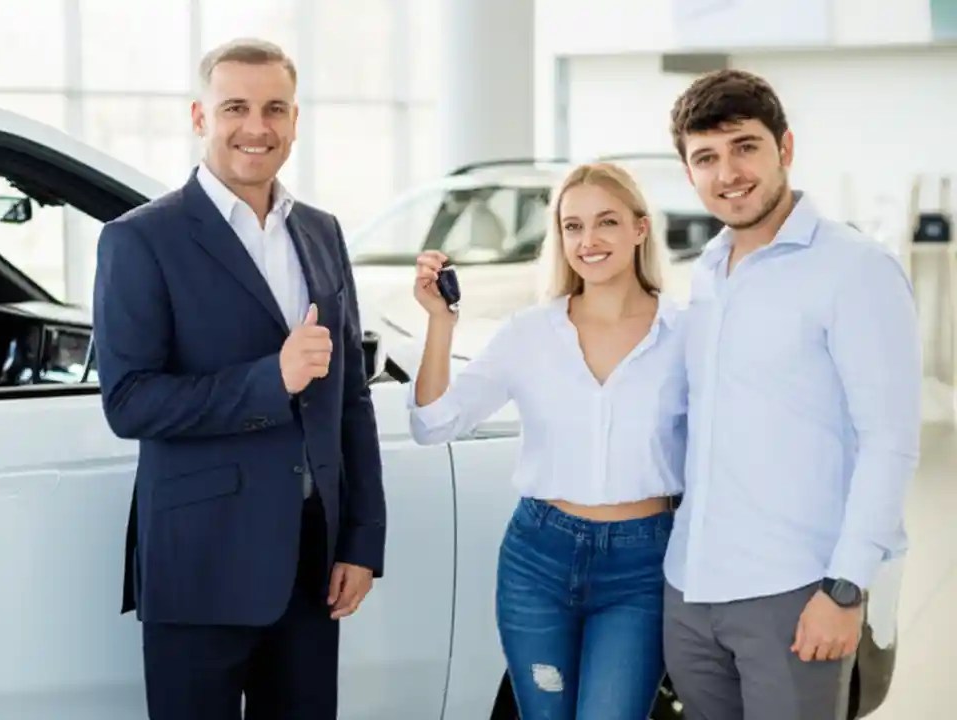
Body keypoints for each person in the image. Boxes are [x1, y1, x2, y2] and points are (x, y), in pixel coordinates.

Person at [92, 38, 385, 720]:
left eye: (274, 108)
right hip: (200, 562)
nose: (257, 127)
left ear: (295, 120)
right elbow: (130, 402)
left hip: (312, 562)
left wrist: (361, 542)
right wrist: (270, 380)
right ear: (200, 117)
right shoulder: (141, 240)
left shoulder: (322, 231)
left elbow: (351, 398)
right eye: (236, 108)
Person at [662, 69, 922, 720]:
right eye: (706, 158)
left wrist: (845, 587)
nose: (729, 173)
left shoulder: (854, 268)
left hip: (795, 589)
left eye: (745, 147)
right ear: (689, 172)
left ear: (786, 147)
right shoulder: (707, 272)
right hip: (691, 589)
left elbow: (889, 441)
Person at [409, 162, 685, 719]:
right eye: (572, 226)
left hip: (643, 565)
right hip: (539, 558)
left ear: (639, 228)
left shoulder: (687, 334)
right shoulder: (528, 335)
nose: (589, 240)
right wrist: (442, 322)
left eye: (606, 222)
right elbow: (433, 423)